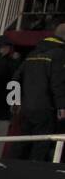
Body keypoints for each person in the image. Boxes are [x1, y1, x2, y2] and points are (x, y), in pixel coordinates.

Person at [14, 21, 65, 162]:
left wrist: (14, 102)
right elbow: (58, 83)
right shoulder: (59, 54)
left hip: (26, 108)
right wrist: (62, 106)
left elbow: (15, 78)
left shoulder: (33, 53)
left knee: (21, 143)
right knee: (40, 146)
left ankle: (11, 170)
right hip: (45, 108)